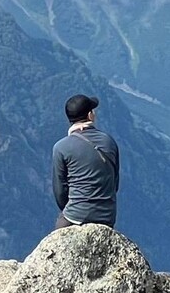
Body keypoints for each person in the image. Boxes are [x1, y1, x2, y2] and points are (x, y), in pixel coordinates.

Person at [51, 94, 120, 229]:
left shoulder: (60, 147)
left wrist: (75, 208)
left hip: (75, 216)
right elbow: (114, 185)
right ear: (90, 115)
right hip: (107, 217)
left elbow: (60, 192)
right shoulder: (109, 142)